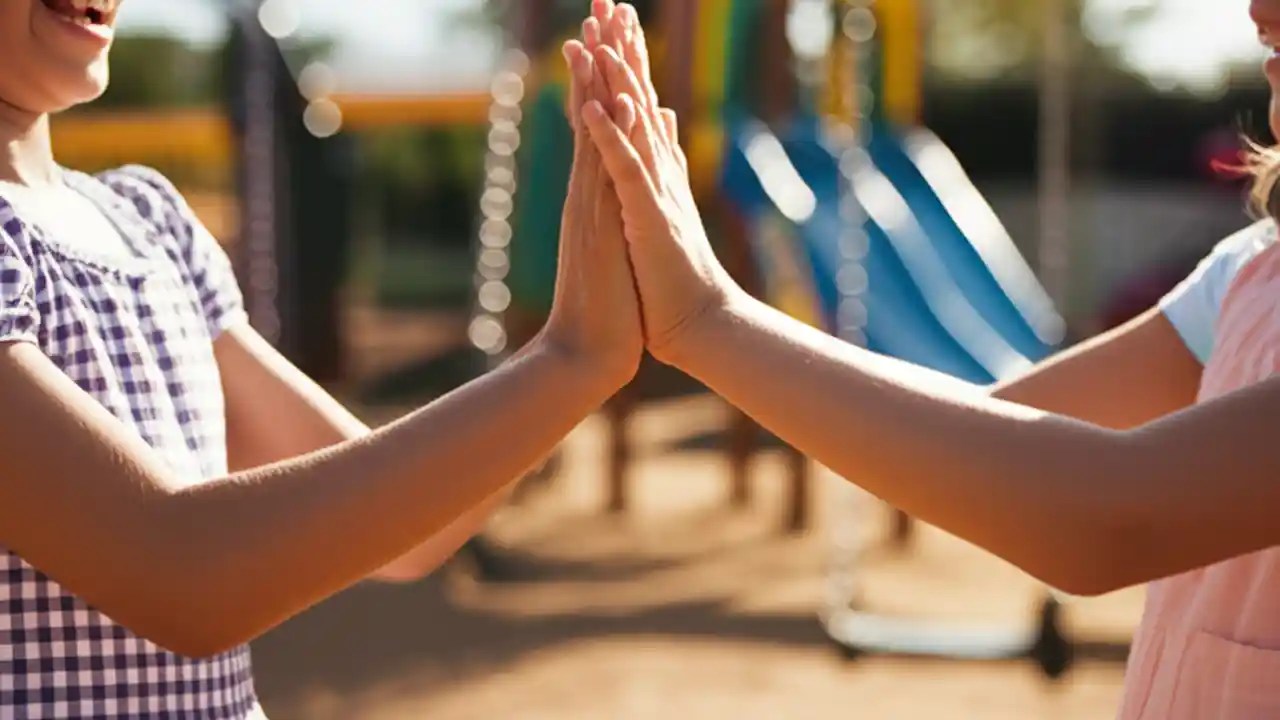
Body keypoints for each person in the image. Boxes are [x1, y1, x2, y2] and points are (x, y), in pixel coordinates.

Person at [575, 0, 1280, 716]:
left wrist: (706, 321)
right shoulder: (1252, 270)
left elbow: (1108, 522)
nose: (1258, 9)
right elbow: (997, 430)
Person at [0, 0, 643, 716]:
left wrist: (580, 355)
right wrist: (570, 358)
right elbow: (178, 575)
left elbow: (407, 535)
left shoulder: (147, 224)